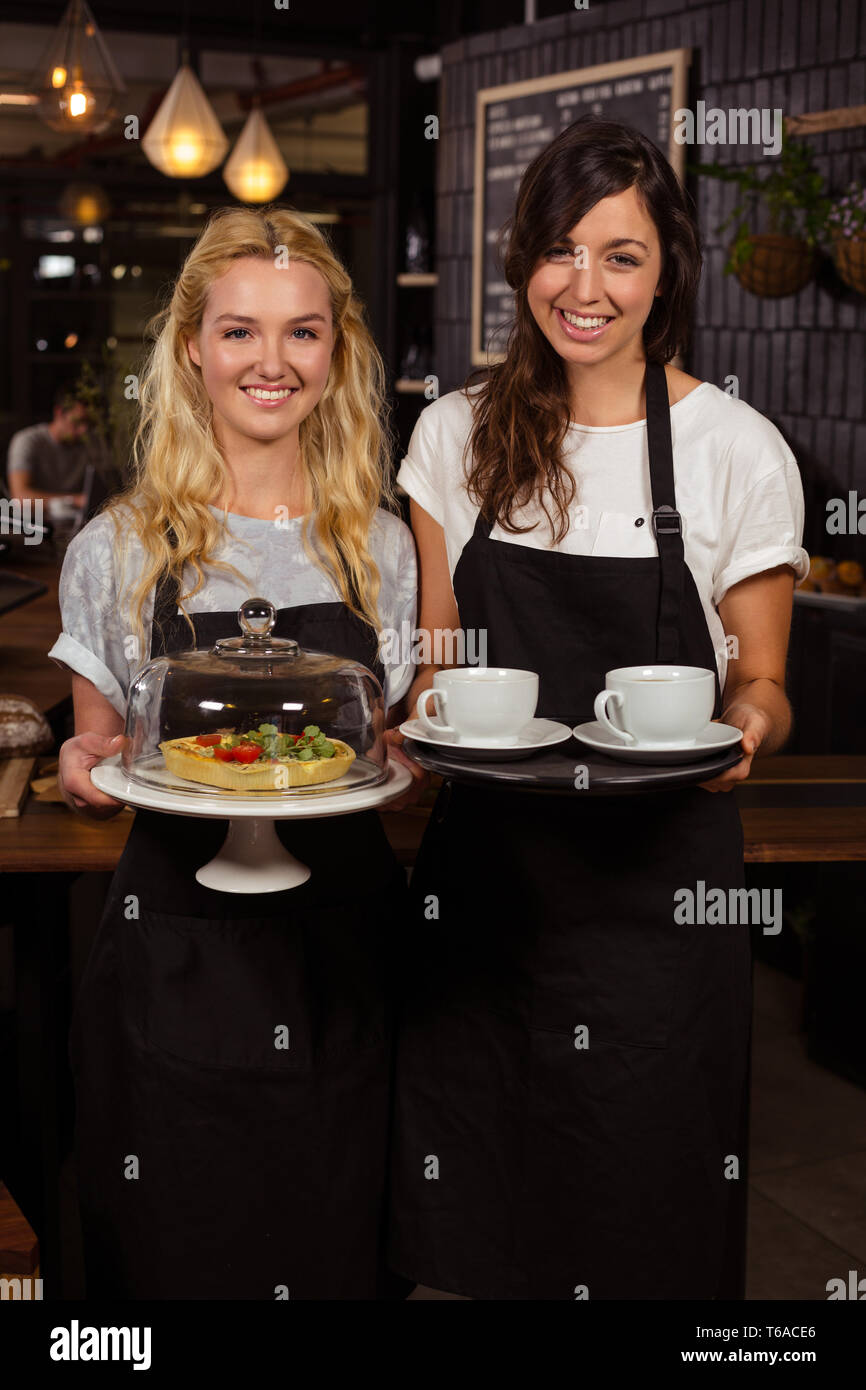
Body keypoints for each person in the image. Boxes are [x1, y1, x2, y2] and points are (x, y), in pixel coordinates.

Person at [386, 116, 809, 1301]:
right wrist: (417, 713)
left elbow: (762, 683)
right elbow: (441, 659)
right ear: (522, 259)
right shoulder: (453, 434)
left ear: (664, 267)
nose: (585, 286)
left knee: (645, 1215)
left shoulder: (733, 447)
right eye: (560, 250)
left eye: (620, 255)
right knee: (472, 1223)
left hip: (657, 899)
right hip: (482, 890)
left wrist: (747, 736)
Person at [52, 205, 425, 1300]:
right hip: (175, 954)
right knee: (177, 1246)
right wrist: (87, 766)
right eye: (240, 332)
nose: (272, 361)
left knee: (339, 1243)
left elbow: (389, 745)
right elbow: (100, 745)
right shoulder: (118, 550)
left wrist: (415, 756)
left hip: (346, 959)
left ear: (337, 352)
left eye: (303, 332)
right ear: (190, 349)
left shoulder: (383, 548)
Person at [6, 385, 90, 508]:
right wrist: (75, 500)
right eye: (78, 422)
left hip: (78, 521)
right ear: (59, 412)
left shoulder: (88, 447)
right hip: (36, 522)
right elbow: (20, 496)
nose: (84, 430)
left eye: (89, 423)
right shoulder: (27, 441)